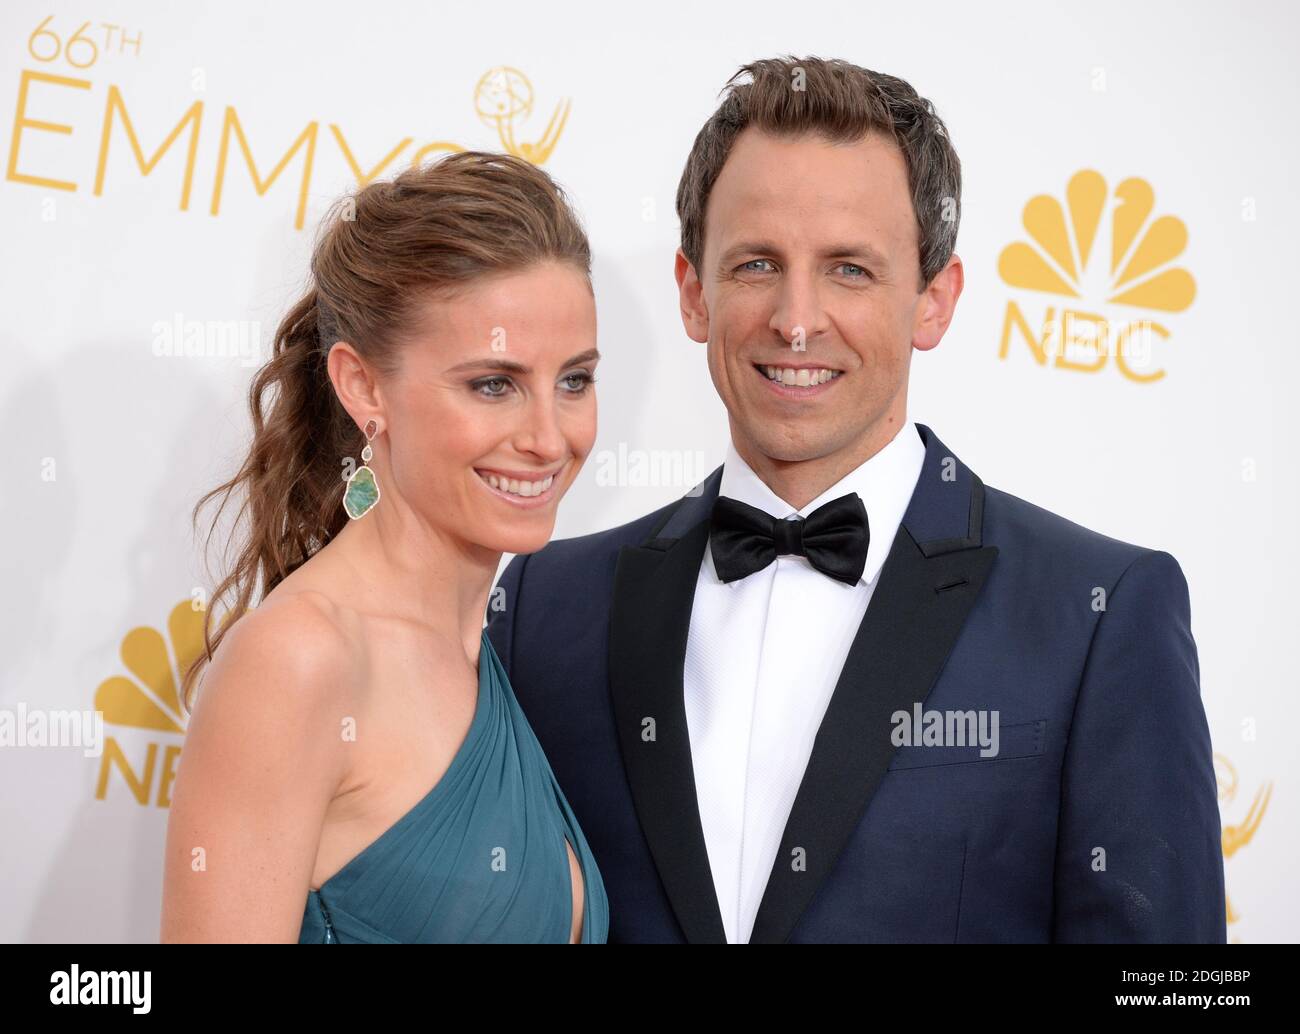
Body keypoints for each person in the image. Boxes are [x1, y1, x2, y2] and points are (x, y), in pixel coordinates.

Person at [485, 56, 1226, 943]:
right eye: (757, 263)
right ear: (693, 292)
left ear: (935, 301)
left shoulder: (1098, 615)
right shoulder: (542, 603)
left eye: (850, 270)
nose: (797, 320)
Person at [160, 151, 610, 943]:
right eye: (494, 384)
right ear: (364, 387)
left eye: (573, 380)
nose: (549, 437)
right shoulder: (301, 661)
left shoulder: (485, 654)